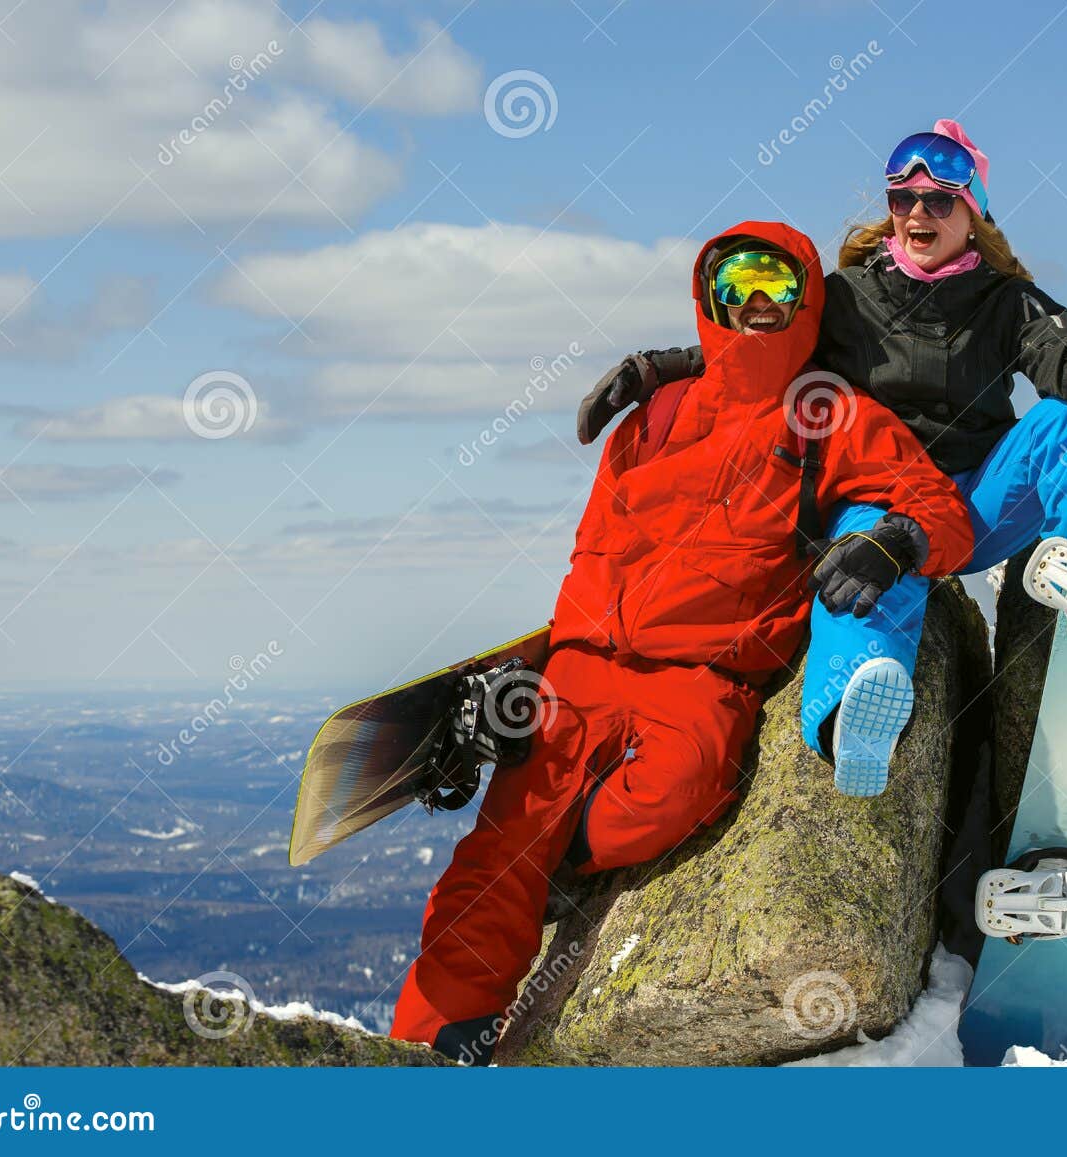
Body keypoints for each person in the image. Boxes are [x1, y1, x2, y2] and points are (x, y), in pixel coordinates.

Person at [391, 220, 975, 1063]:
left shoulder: (827, 414)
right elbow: (594, 546)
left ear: (806, 299)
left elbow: (941, 508)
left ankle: (556, 861)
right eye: (738, 284)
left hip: (705, 671)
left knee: (676, 795)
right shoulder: (657, 410)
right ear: (710, 299)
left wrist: (898, 541)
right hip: (587, 663)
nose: (757, 302)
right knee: (502, 842)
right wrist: (547, 659)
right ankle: (435, 1039)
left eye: (777, 284)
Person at [581, 120, 1067, 797]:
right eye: (903, 198)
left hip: (979, 499)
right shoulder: (848, 298)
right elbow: (766, 352)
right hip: (881, 499)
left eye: (938, 200)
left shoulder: (1006, 301)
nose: (917, 212)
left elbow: (1065, 356)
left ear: (972, 216)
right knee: (863, 567)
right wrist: (662, 368)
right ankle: (853, 709)